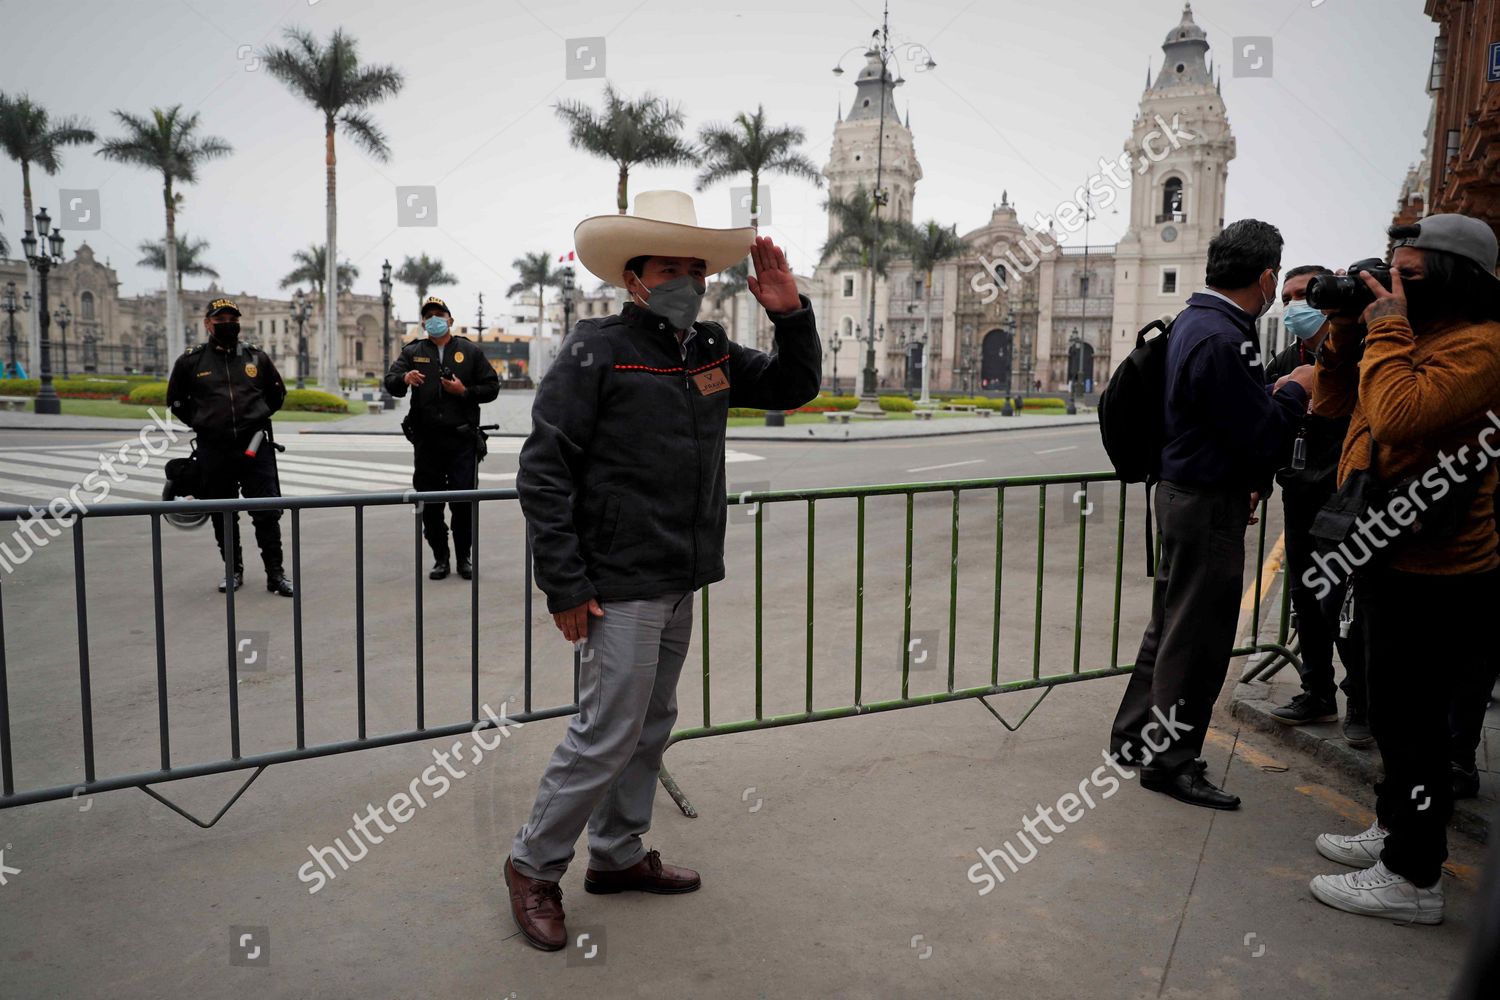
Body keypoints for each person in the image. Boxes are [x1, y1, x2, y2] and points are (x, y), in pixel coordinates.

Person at [504, 190, 821, 952]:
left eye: (694, 268)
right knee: (606, 731)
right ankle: (532, 864)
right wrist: (567, 586)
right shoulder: (596, 348)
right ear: (634, 277)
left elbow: (793, 388)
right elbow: (544, 471)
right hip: (616, 583)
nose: (685, 279)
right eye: (668, 268)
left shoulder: (707, 347)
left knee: (650, 726)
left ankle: (615, 857)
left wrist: (790, 313)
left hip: (680, 576)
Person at [1308, 214, 1500, 925]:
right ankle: (1394, 833)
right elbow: (1335, 410)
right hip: (1390, 553)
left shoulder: (1484, 347)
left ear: (1454, 278)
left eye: (1408, 278)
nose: (1393, 288)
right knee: (1396, 720)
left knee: (1419, 731)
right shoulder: (1412, 337)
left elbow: (1397, 417)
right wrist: (1345, 333)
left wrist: (1386, 329)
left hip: (1439, 572)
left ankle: (1414, 879)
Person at [1108, 219, 1313, 810]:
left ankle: (1132, 739)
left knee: (1169, 626)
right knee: (1197, 638)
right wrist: (1294, 391)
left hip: (1181, 492)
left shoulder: (1195, 320)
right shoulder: (1225, 336)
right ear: (1268, 276)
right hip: (1204, 503)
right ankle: (1170, 762)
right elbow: (1258, 435)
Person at [1262, 266, 1370, 745]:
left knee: (1345, 604)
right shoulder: (1285, 360)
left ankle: (1362, 703)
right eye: (1286, 296)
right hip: (1300, 497)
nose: (1294, 305)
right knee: (1306, 598)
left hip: (1350, 499)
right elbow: (1262, 428)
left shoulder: (1363, 350)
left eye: (1305, 294)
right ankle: (1317, 693)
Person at [166, 297, 293, 597]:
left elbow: (276, 395)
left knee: (266, 512)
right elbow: (176, 401)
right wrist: (204, 422)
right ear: (207, 324)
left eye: (231, 319)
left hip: (254, 446)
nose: (227, 324)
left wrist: (254, 418)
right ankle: (232, 571)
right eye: (220, 319)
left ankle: (275, 574)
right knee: (223, 512)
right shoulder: (191, 361)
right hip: (215, 448)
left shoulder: (255, 357)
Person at [383, 296, 500, 580]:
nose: (433, 319)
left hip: (462, 442)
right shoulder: (413, 352)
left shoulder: (469, 352)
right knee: (429, 505)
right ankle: (441, 559)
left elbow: (492, 387)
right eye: (428, 316)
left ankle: (464, 558)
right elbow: (391, 383)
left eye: (439, 314)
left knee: (463, 504)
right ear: (423, 322)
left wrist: (464, 391)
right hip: (427, 443)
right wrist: (404, 379)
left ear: (450, 319)